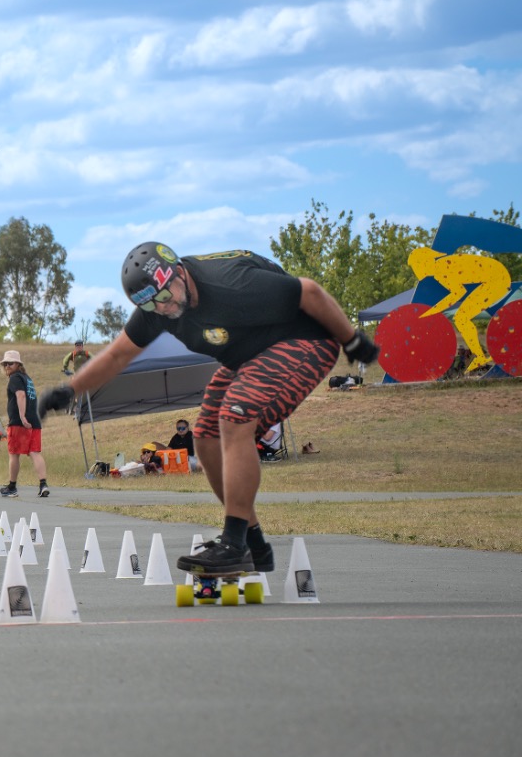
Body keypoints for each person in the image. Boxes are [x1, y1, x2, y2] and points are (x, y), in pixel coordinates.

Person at [38, 242, 378, 575]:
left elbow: (309, 292)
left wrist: (352, 339)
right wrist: (69, 391)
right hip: (249, 357)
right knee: (205, 438)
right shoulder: (156, 309)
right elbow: (117, 355)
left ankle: (232, 544)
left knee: (234, 419)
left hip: (305, 341)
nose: (164, 308)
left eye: (166, 296)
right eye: (153, 305)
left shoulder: (230, 283)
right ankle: (253, 546)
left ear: (179, 273)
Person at [0, 350, 49, 497]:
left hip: (20, 422)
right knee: (34, 453)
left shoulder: (15, 378)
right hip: (35, 421)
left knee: (14, 454)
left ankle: (12, 487)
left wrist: (21, 416)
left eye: (11, 363)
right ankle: (43, 484)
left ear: (18, 364)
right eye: (5, 363)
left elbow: (20, 395)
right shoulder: (27, 379)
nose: (7, 366)